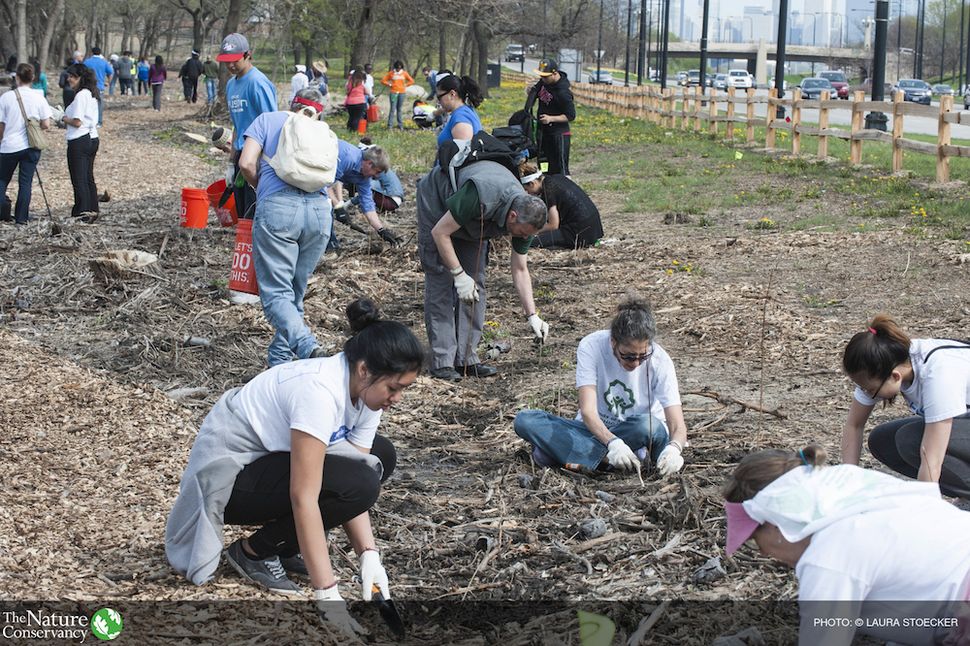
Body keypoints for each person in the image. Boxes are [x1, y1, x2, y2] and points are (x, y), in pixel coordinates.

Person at [166, 298, 423, 639]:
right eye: (393, 388)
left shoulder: (366, 394)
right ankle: (253, 553)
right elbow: (305, 495)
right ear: (364, 370)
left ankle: (283, 546)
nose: (397, 398)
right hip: (225, 480)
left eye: (403, 389)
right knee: (358, 482)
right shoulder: (318, 392)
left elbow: (354, 472)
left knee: (380, 456)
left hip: (268, 464)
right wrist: (328, 595)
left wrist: (369, 556)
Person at [724, 445, 970, 645]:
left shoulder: (828, 555)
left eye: (757, 543)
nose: (765, 554)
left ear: (777, 523)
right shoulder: (862, 496)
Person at [515, 296, 688, 474]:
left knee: (649, 425)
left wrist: (674, 448)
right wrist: (613, 443)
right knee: (525, 420)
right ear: (613, 341)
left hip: (636, 431)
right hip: (595, 430)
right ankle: (607, 460)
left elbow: (677, 425)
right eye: (628, 356)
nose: (636, 363)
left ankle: (574, 455)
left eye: (642, 357)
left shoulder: (660, 360)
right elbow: (588, 411)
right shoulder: (592, 346)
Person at [416, 159, 548, 381]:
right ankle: (442, 361)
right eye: (522, 233)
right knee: (442, 279)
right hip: (438, 202)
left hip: (476, 220)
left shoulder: (526, 219)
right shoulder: (482, 195)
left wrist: (532, 315)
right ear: (513, 216)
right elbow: (440, 233)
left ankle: (466, 358)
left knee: (476, 283)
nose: (523, 238)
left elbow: (520, 268)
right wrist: (458, 275)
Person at [238, 87, 334, 367]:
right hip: (318, 212)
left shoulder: (268, 120)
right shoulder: (323, 133)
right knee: (295, 291)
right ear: (319, 111)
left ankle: (306, 346)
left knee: (278, 294)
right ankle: (280, 362)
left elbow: (246, 163)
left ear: (291, 103)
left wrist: (261, 188)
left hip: (279, 211)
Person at [841, 315, 970, 498]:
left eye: (870, 390)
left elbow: (931, 458)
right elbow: (854, 425)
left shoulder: (938, 373)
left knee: (910, 440)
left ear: (895, 376)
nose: (867, 394)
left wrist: (922, 510)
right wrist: (849, 483)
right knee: (882, 440)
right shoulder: (888, 359)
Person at [218, 32, 278, 222]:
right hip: (240, 154)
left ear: (247, 55)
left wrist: (265, 160)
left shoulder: (258, 83)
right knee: (242, 208)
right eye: (226, 61)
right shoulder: (230, 85)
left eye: (234, 60)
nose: (230, 65)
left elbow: (272, 122)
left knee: (256, 208)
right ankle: (245, 244)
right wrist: (231, 160)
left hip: (257, 156)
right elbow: (237, 123)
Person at [0, 63, 53, 226]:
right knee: (25, 182)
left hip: (9, 145)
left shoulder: (6, 97)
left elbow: (1, 124)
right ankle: (22, 217)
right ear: (33, 79)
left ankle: (2, 210)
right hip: (31, 146)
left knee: (2, 180)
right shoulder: (39, 96)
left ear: (16, 77)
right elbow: (46, 124)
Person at [328, 140, 402, 247]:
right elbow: (324, 184)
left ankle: (331, 245)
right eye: (377, 172)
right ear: (369, 164)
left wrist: (381, 231)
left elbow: (368, 205)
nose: (376, 177)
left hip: (323, 179)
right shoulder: (348, 157)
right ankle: (329, 247)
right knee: (324, 209)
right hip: (311, 164)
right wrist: (338, 205)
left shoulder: (364, 177)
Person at [518, 162, 603, 249]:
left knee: (530, 242)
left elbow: (553, 225)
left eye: (527, 189)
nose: (528, 193)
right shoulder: (557, 177)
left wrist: (532, 230)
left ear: (532, 184)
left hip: (580, 232)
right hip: (595, 227)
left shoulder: (548, 190)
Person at [59, 63, 100, 223]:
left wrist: (62, 118)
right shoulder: (91, 93)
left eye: (72, 76)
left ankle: (82, 213)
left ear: (80, 78)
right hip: (91, 137)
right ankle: (92, 209)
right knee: (88, 177)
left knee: (79, 178)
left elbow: (77, 121)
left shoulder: (81, 95)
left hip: (79, 139)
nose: (69, 79)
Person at [530, 58, 575, 175]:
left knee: (560, 166)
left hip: (559, 134)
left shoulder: (563, 92)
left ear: (555, 74)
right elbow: (536, 90)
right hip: (544, 132)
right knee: (544, 163)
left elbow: (571, 116)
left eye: (546, 77)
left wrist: (551, 118)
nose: (543, 79)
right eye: (541, 76)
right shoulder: (544, 82)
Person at [434, 73, 483, 150]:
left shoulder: (461, 118)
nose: (438, 101)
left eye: (439, 97)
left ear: (452, 94)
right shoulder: (465, 111)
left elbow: (463, 156)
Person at [83, 47, 113, 126]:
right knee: (99, 104)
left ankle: (88, 120)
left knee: (87, 104)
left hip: (88, 86)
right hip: (99, 86)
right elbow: (110, 73)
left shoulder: (87, 62)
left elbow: (82, 73)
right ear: (100, 53)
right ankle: (99, 122)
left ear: (92, 53)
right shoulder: (104, 62)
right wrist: (108, 82)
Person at [380, 61, 414, 130]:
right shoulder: (391, 73)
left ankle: (400, 125)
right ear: (395, 67)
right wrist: (389, 84)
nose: (398, 69)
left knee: (399, 109)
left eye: (400, 68)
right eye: (397, 68)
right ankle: (390, 126)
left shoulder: (404, 73)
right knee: (392, 109)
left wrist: (406, 85)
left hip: (402, 92)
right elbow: (383, 80)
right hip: (393, 92)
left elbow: (412, 81)